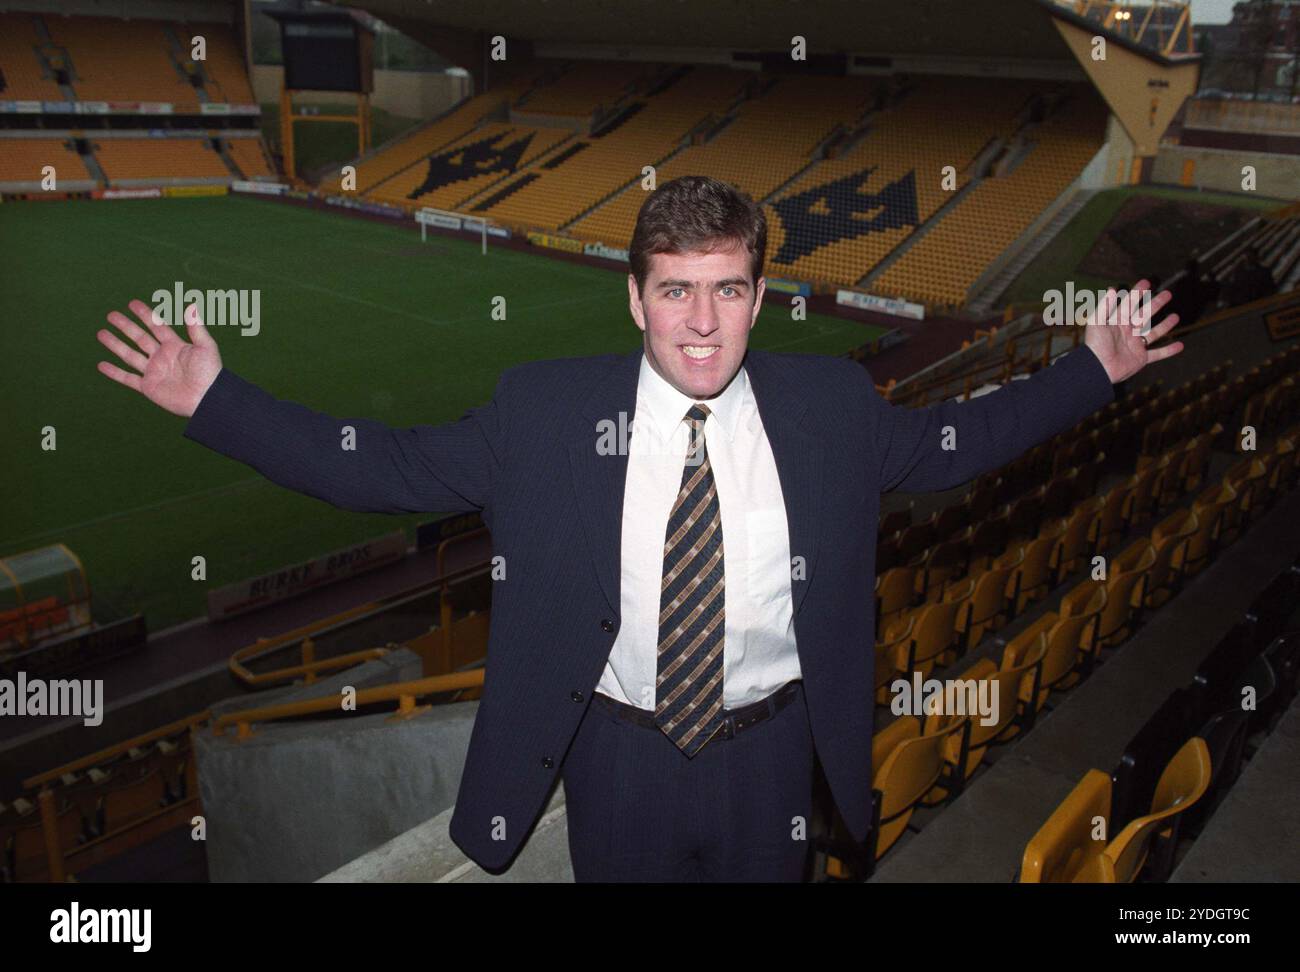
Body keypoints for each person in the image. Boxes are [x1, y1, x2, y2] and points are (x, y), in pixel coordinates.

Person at [94, 175, 1183, 882]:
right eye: (674, 291)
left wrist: (1093, 370)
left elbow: (961, 445)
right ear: (634, 299)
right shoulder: (545, 411)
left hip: (772, 756)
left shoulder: (831, 412)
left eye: (726, 290)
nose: (700, 322)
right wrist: (218, 403)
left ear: (761, 296)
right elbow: (382, 468)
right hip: (618, 759)